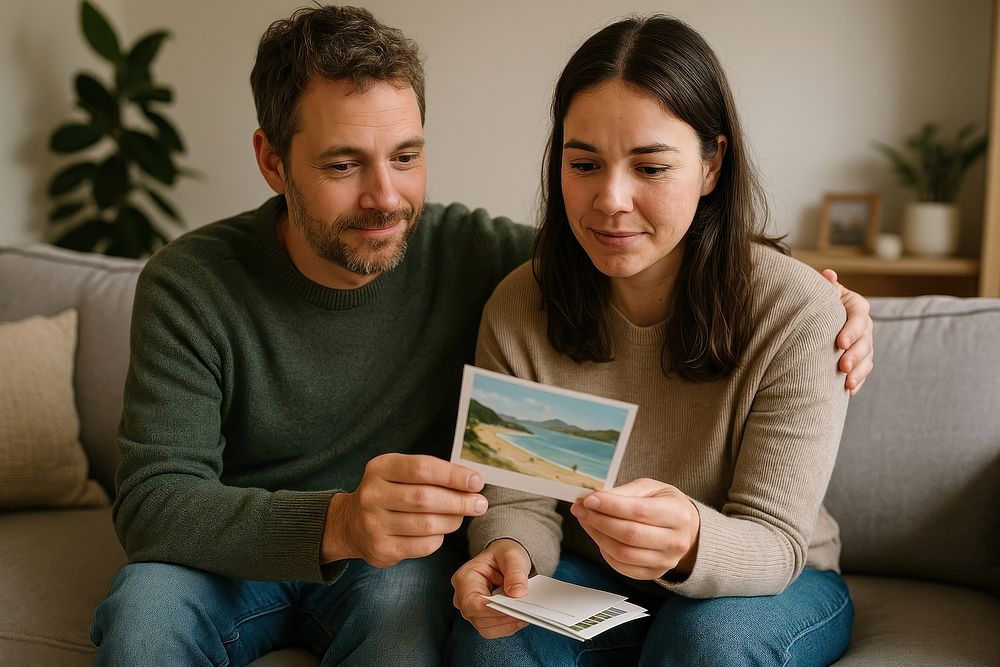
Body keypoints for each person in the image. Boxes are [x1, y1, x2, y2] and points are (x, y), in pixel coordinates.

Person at [89, 6, 871, 666]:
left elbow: (654, 243)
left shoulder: (491, 258)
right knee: (149, 613)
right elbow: (156, 500)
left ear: (710, 165)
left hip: (737, 571)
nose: (385, 197)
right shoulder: (521, 289)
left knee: (696, 638)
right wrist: (483, 545)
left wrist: (823, 301)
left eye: (406, 155)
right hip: (275, 550)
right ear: (272, 160)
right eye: (341, 164)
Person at [449, 14, 858, 666]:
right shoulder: (523, 305)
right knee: (490, 640)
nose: (611, 199)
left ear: (711, 164)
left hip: (776, 578)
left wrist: (692, 537)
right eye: (584, 163)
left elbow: (776, 540)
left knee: (706, 644)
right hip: (593, 576)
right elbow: (522, 500)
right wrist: (510, 556)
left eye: (649, 167)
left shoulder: (795, 312)